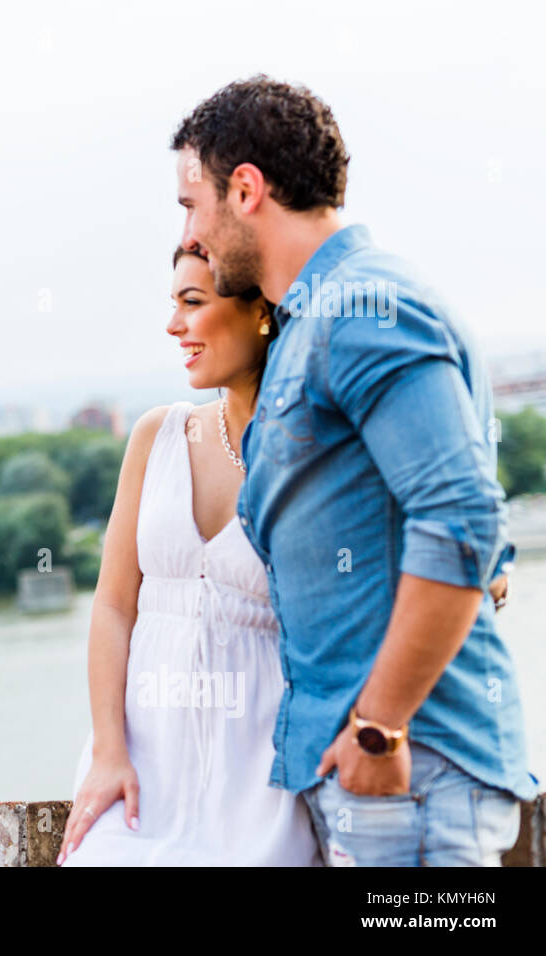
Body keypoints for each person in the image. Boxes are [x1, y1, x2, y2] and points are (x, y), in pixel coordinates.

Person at [170, 75, 536, 865]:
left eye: (190, 205)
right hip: (384, 788)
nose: (192, 232)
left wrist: (380, 725)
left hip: (413, 779)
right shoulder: (318, 318)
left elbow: (465, 520)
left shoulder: (363, 310)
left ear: (245, 189)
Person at [58, 247, 319, 866]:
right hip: (140, 772)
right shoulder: (158, 434)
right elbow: (114, 606)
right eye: (172, 303)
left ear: (261, 311)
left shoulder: (315, 454)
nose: (173, 325)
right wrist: (108, 752)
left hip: (262, 780)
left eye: (193, 303)